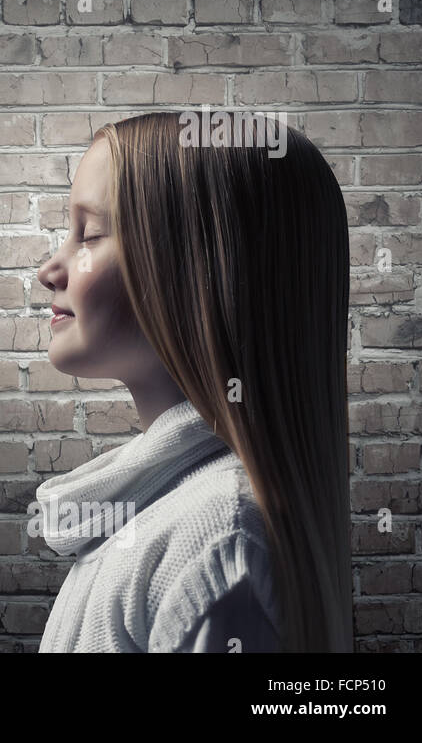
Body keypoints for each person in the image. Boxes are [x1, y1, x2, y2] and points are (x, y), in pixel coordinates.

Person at [32, 110, 353, 652]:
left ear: (196, 270)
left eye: (88, 234)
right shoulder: (172, 523)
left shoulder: (217, 540)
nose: (49, 268)